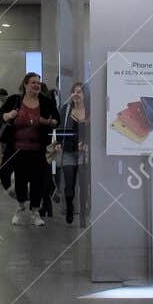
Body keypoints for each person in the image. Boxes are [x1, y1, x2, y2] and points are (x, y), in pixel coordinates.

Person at [0, 73, 58, 227]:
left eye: (38, 83)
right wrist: (8, 115)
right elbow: (0, 115)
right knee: (20, 180)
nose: (36, 85)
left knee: (38, 180)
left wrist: (47, 121)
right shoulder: (14, 100)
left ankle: (35, 212)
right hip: (17, 149)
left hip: (38, 149)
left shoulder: (45, 102)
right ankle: (20, 207)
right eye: (33, 83)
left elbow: (56, 120)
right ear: (25, 85)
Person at [57, 81, 89, 225]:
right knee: (69, 184)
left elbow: (94, 131)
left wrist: (87, 143)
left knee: (84, 185)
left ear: (84, 94)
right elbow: (59, 128)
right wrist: (58, 143)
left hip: (84, 153)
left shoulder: (90, 111)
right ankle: (70, 206)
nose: (76, 94)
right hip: (68, 152)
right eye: (74, 91)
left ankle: (83, 215)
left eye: (79, 92)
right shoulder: (66, 109)